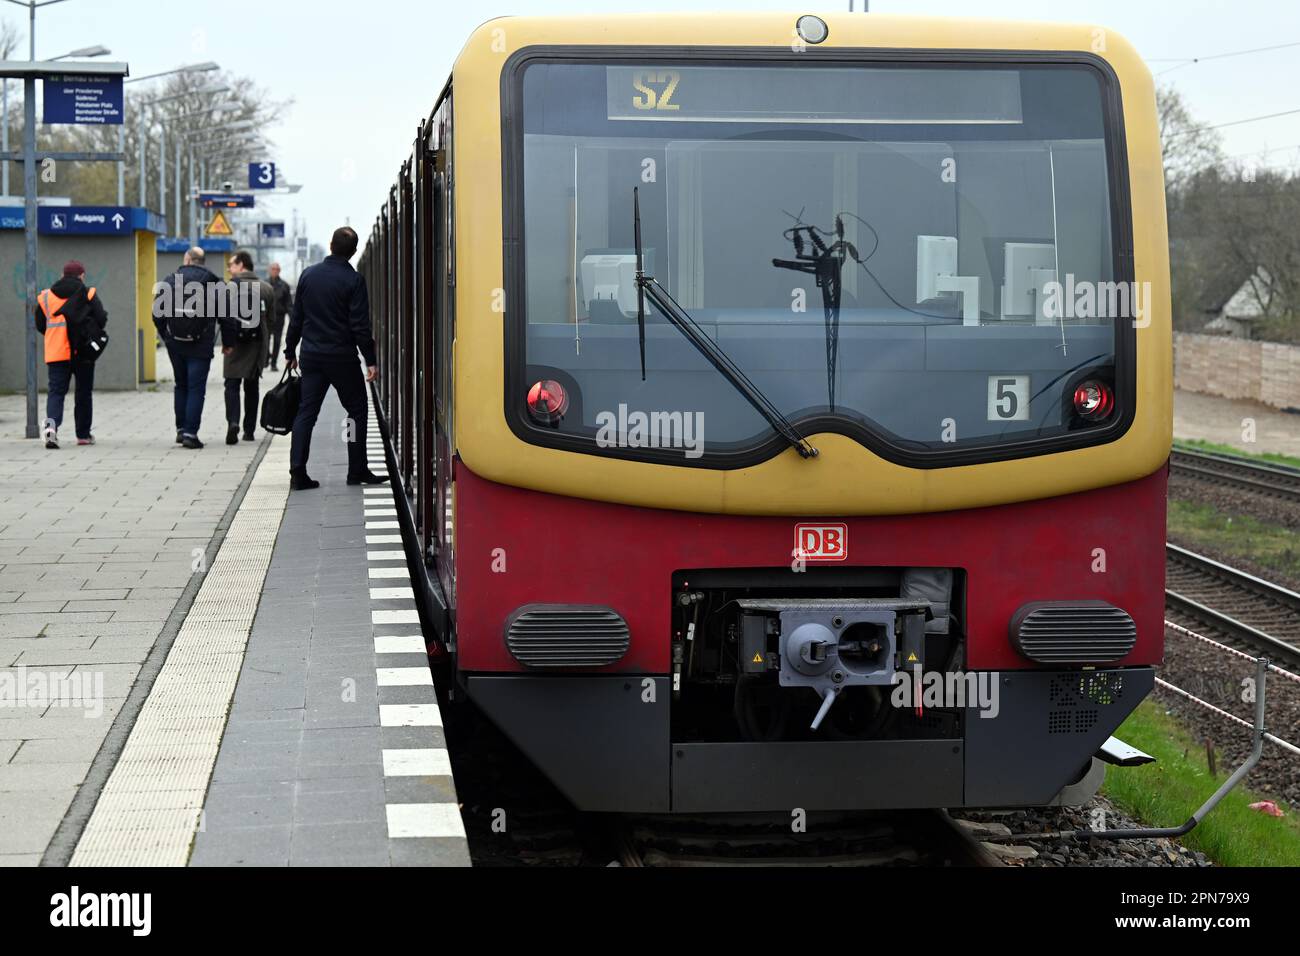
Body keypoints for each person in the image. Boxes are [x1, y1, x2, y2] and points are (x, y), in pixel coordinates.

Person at [284, 226, 386, 490]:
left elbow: (297, 319)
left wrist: (289, 351)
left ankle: (298, 472)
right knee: (356, 411)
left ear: (330, 245)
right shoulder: (353, 281)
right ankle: (356, 470)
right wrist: (370, 359)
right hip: (342, 358)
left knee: (306, 413)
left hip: (311, 356)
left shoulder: (308, 275)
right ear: (353, 252)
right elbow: (360, 326)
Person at [154, 246, 222, 449]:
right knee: (196, 388)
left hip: (175, 343)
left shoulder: (170, 280)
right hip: (201, 344)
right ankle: (191, 434)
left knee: (180, 385)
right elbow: (226, 316)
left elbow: (157, 314)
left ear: (188, 260)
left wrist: (166, 336)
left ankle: (181, 429)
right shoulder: (214, 282)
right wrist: (228, 342)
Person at [35, 260, 107, 449]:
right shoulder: (88, 293)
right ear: (81, 276)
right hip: (83, 352)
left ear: (62, 275)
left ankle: (51, 430)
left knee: (56, 393)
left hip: (56, 352)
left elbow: (40, 325)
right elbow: (102, 318)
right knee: (83, 393)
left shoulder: (45, 297)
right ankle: (83, 435)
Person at [221, 251, 274, 444]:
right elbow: (271, 320)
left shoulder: (229, 288)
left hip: (234, 345)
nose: (229, 269)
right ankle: (249, 430)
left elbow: (224, 317)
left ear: (241, 265)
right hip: (256, 344)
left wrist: (226, 343)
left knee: (231, 385)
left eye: (231, 265)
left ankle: (233, 422)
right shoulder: (266, 288)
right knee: (252, 387)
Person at [266, 262, 292, 371]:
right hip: (266, 318)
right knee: (265, 340)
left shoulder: (284, 286)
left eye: (277, 269)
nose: (275, 271)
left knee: (277, 341)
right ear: (269, 270)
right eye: (273, 269)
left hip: (279, 317)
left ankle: (273, 363)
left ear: (279, 271)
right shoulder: (264, 283)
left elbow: (289, 304)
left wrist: (292, 318)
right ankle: (266, 357)